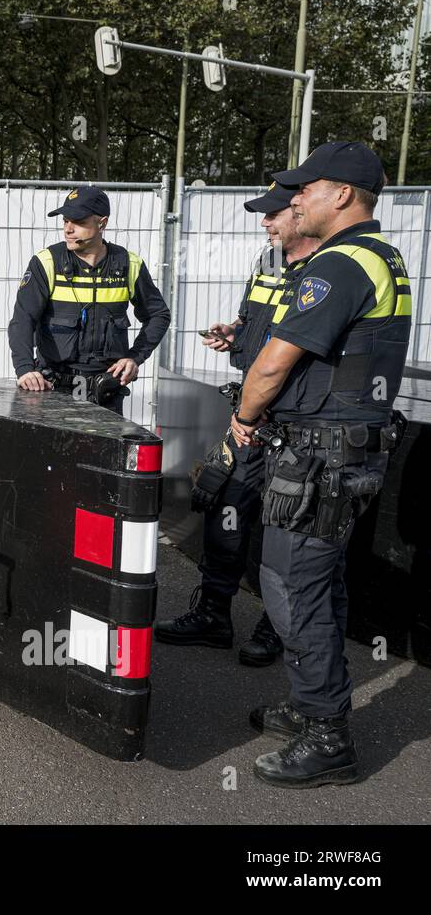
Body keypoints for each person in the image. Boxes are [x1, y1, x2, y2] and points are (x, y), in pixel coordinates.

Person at [229, 142, 412, 788]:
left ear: (343, 195)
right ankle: (311, 706)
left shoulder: (338, 265)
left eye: (306, 187)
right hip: (344, 452)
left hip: (320, 457)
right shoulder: (378, 255)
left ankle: (329, 737)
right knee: (319, 583)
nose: (295, 198)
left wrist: (244, 418)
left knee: (291, 585)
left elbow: (275, 361)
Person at [157, 182, 321, 665]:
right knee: (225, 513)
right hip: (250, 422)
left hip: (291, 424)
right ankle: (213, 616)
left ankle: (276, 629)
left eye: (272, 214)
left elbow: (304, 355)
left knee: (282, 530)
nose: (264, 223)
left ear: (298, 212)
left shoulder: (327, 269)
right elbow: (255, 324)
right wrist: (235, 334)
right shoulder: (268, 261)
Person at [9, 186, 171, 414]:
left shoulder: (129, 264)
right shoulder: (46, 262)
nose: (68, 229)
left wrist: (135, 357)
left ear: (102, 223)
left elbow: (158, 315)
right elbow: (22, 320)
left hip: (106, 392)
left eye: (78, 222)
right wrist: (25, 369)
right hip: (51, 390)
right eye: (65, 221)